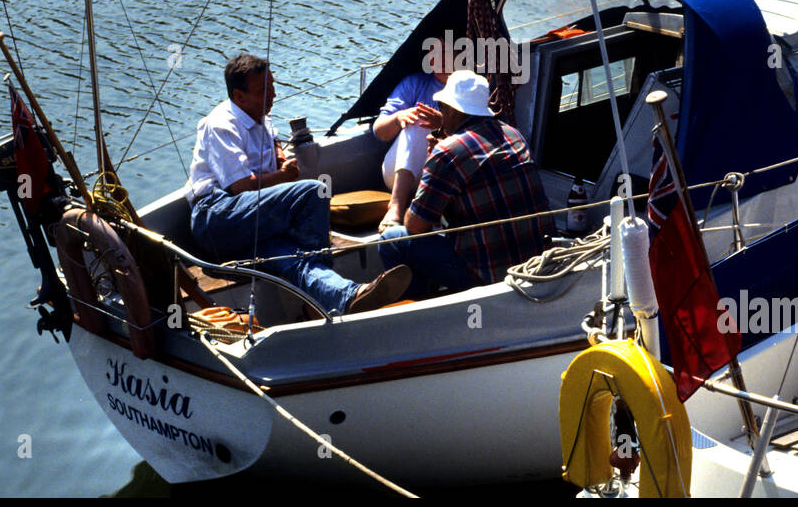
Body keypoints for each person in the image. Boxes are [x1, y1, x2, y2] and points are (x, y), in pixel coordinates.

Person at [187, 53, 410, 314]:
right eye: (263, 91)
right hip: (217, 218)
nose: (272, 95)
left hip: (253, 220)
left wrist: (279, 154)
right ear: (239, 97)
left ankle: (340, 298)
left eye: (272, 87)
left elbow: (273, 140)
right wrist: (283, 175)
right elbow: (241, 186)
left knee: (294, 257)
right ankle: (323, 296)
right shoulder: (220, 125)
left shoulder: (261, 115)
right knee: (314, 191)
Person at [379, 70, 551, 299]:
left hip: (489, 274)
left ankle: (420, 309)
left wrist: (434, 163)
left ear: (451, 110)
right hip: (535, 263)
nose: (440, 112)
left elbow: (415, 227)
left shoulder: (447, 152)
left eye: (442, 107)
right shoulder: (513, 134)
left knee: (391, 241)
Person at [372, 67, 449, 232]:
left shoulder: (471, 87)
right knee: (417, 117)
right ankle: (396, 207)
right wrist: (399, 117)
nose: (439, 59)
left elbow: (476, 138)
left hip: (444, 179)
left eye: (446, 53)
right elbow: (380, 132)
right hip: (400, 174)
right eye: (434, 51)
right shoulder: (415, 83)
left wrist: (442, 126)